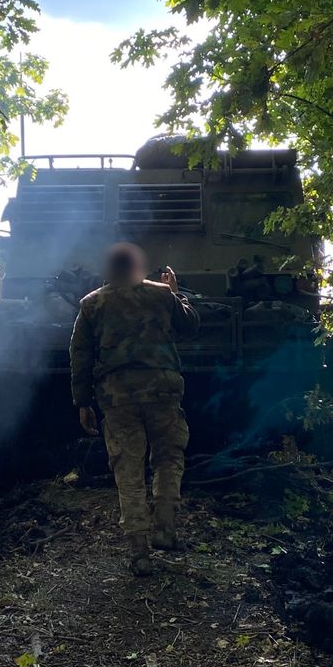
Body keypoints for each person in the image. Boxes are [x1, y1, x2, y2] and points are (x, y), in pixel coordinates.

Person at [69, 242, 200, 576]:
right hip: (163, 393)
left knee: (128, 470)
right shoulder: (160, 294)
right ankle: (166, 531)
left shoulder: (91, 304)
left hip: (117, 399)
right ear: (137, 266)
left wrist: (82, 402)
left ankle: (139, 552)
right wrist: (175, 292)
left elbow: (80, 356)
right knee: (169, 460)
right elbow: (190, 326)